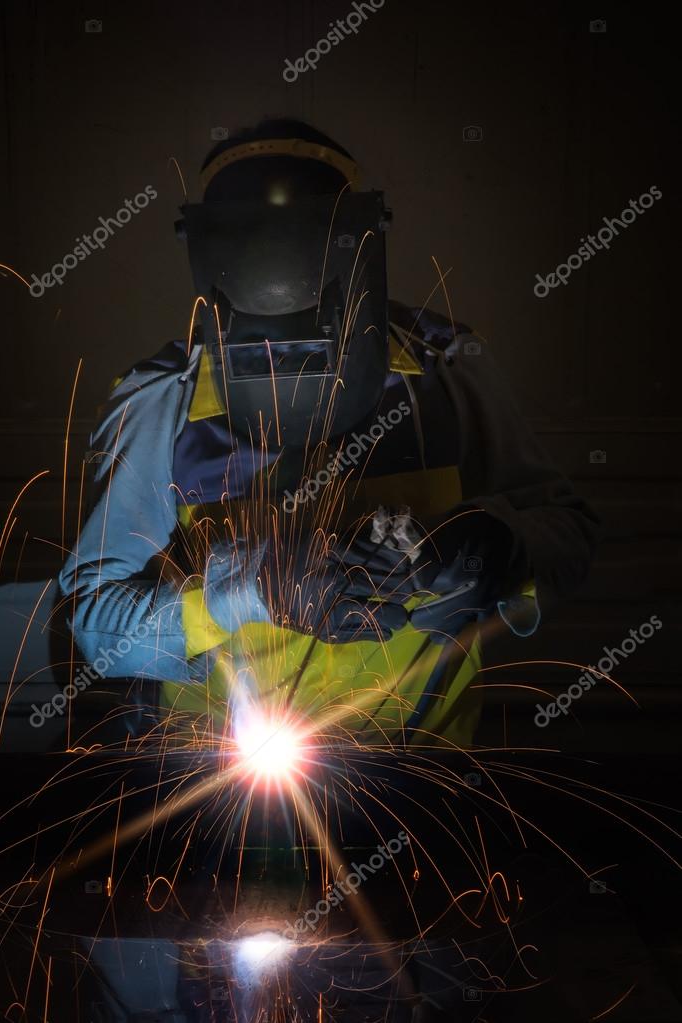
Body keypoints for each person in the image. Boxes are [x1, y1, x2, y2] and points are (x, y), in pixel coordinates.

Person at [58, 118, 599, 748]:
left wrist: (496, 544)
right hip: (224, 793)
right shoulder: (162, 404)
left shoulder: (448, 369)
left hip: (428, 780)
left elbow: (570, 526)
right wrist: (248, 591)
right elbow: (95, 628)